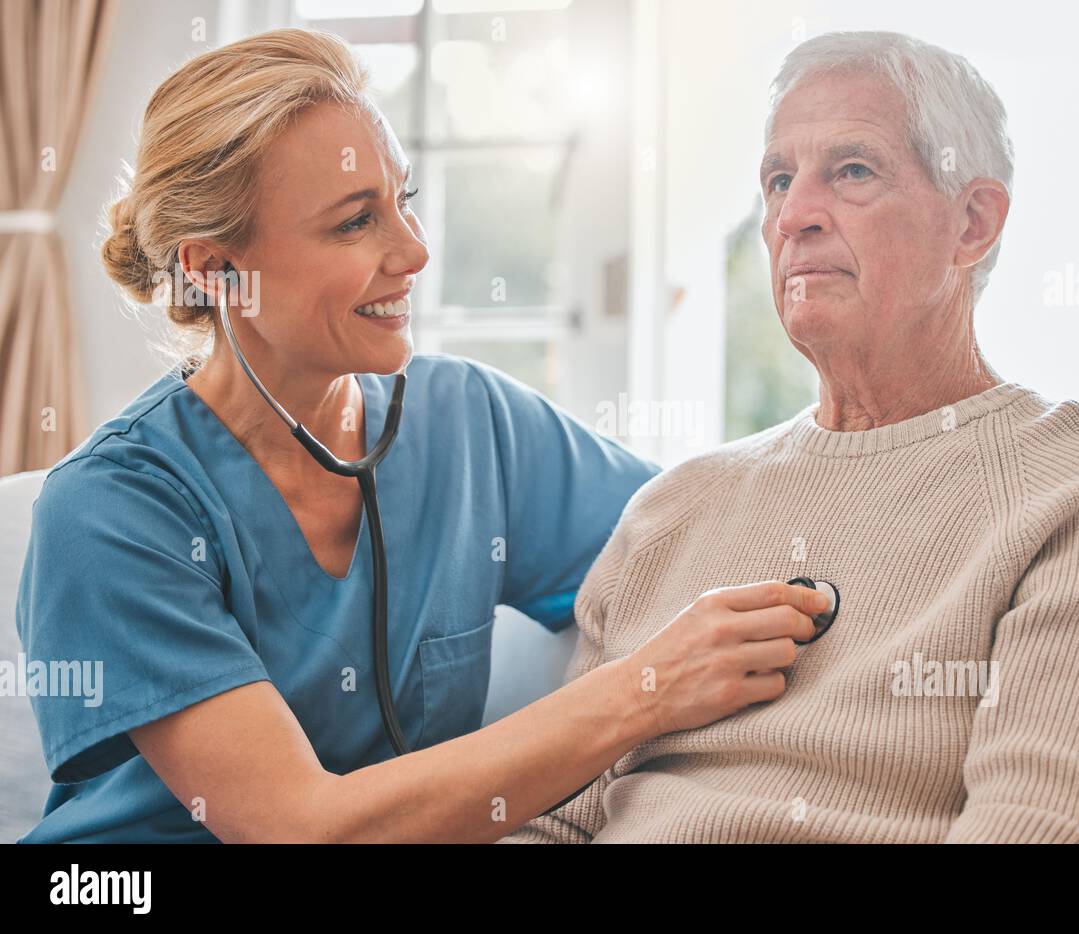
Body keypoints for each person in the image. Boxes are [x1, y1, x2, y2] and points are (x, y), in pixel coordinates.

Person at [14, 28, 826, 844]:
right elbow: (302, 830)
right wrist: (647, 689)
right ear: (216, 270)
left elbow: (702, 536)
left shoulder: (469, 423)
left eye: (401, 200)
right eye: (354, 222)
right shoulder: (110, 511)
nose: (414, 250)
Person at [501, 30, 1079, 844]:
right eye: (778, 181)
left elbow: (1036, 826)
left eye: (853, 171)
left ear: (972, 222)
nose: (793, 216)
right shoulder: (672, 509)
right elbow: (553, 824)